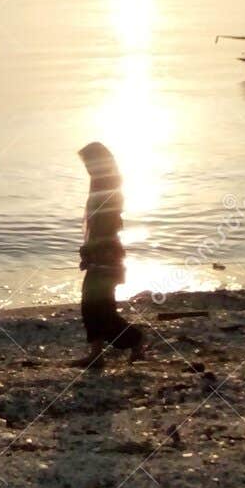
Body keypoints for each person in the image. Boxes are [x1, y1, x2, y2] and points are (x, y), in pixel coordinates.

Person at [77, 142, 145, 366]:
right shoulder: (103, 186)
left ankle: (135, 341)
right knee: (93, 304)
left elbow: (105, 226)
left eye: (89, 163)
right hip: (102, 254)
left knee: (99, 306)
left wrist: (92, 251)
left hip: (105, 256)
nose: (87, 168)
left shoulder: (107, 189)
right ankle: (96, 353)